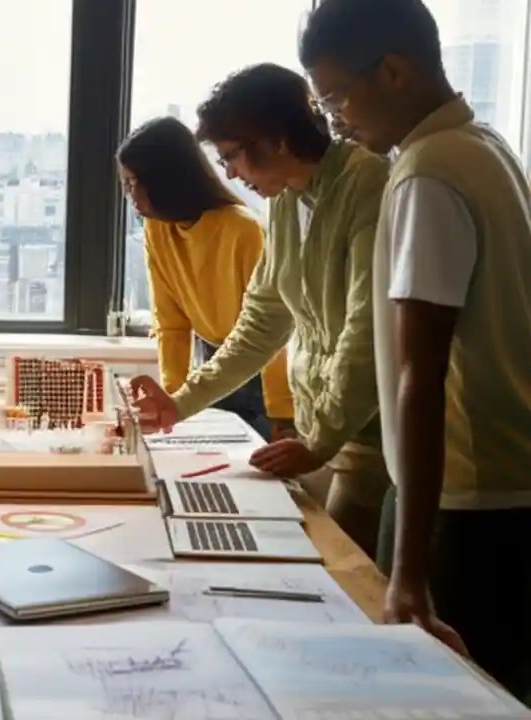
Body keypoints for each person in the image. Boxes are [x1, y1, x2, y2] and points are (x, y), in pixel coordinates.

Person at [303, 0, 531, 700]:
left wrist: (406, 574)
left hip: (460, 501)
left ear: (394, 72)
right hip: (505, 485)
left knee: (438, 698)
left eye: (337, 96)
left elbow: (419, 375)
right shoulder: (484, 145)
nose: (336, 119)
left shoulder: (427, 172)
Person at [128, 63, 389, 558]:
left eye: (232, 156)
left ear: (276, 141)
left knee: (354, 581)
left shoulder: (367, 187)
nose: (228, 173)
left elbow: (367, 332)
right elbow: (259, 325)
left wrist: (318, 440)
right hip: (334, 431)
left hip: (376, 436)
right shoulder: (291, 202)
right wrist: (180, 403)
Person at [117, 116, 294, 441]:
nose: (129, 195)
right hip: (213, 365)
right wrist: (171, 400)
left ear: (164, 179)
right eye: (125, 184)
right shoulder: (158, 228)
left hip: (259, 370)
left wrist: (282, 416)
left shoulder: (242, 229)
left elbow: (272, 334)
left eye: (133, 182)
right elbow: (171, 324)